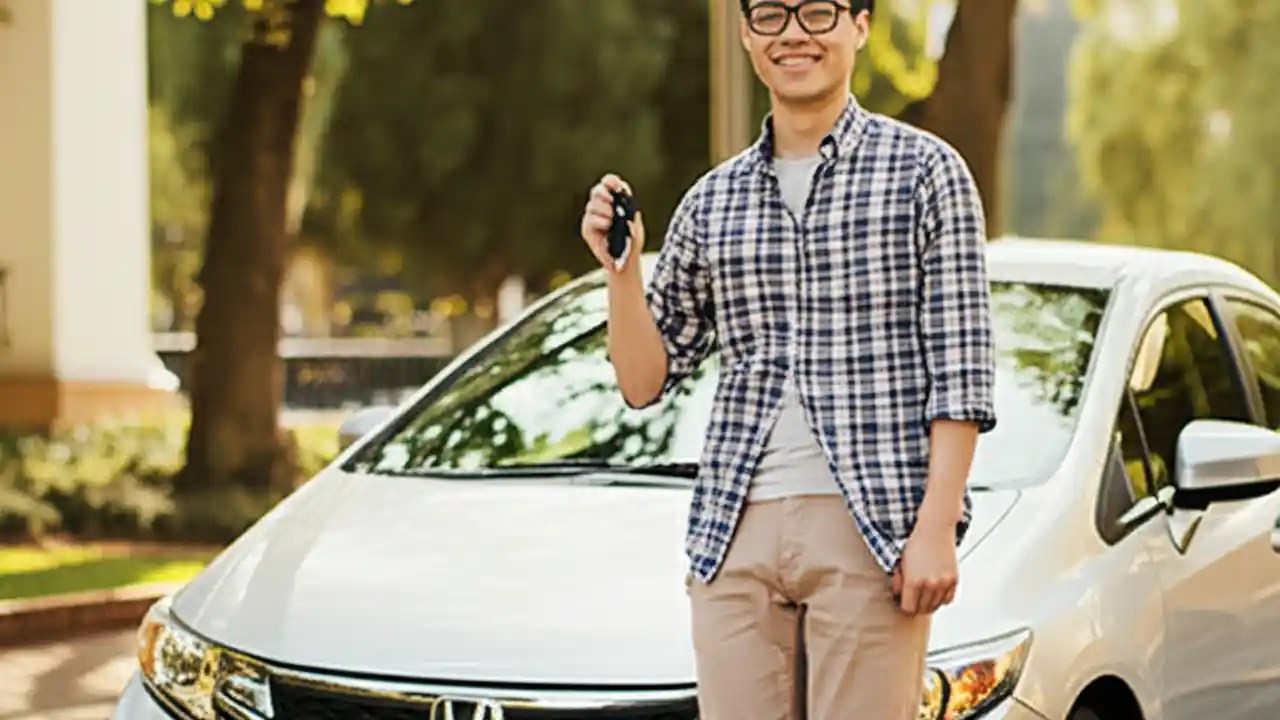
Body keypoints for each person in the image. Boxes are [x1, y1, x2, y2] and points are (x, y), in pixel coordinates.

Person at [579, 0, 996, 717]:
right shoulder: (712, 203)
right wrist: (622, 275)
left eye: (818, 11)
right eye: (770, 14)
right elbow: (644, 380)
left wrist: (936, 528)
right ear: (746, 33)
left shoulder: (927, 173)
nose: (793, 33)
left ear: (860, 26)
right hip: (734, 532)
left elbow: (960, 367)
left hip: (871, 524)